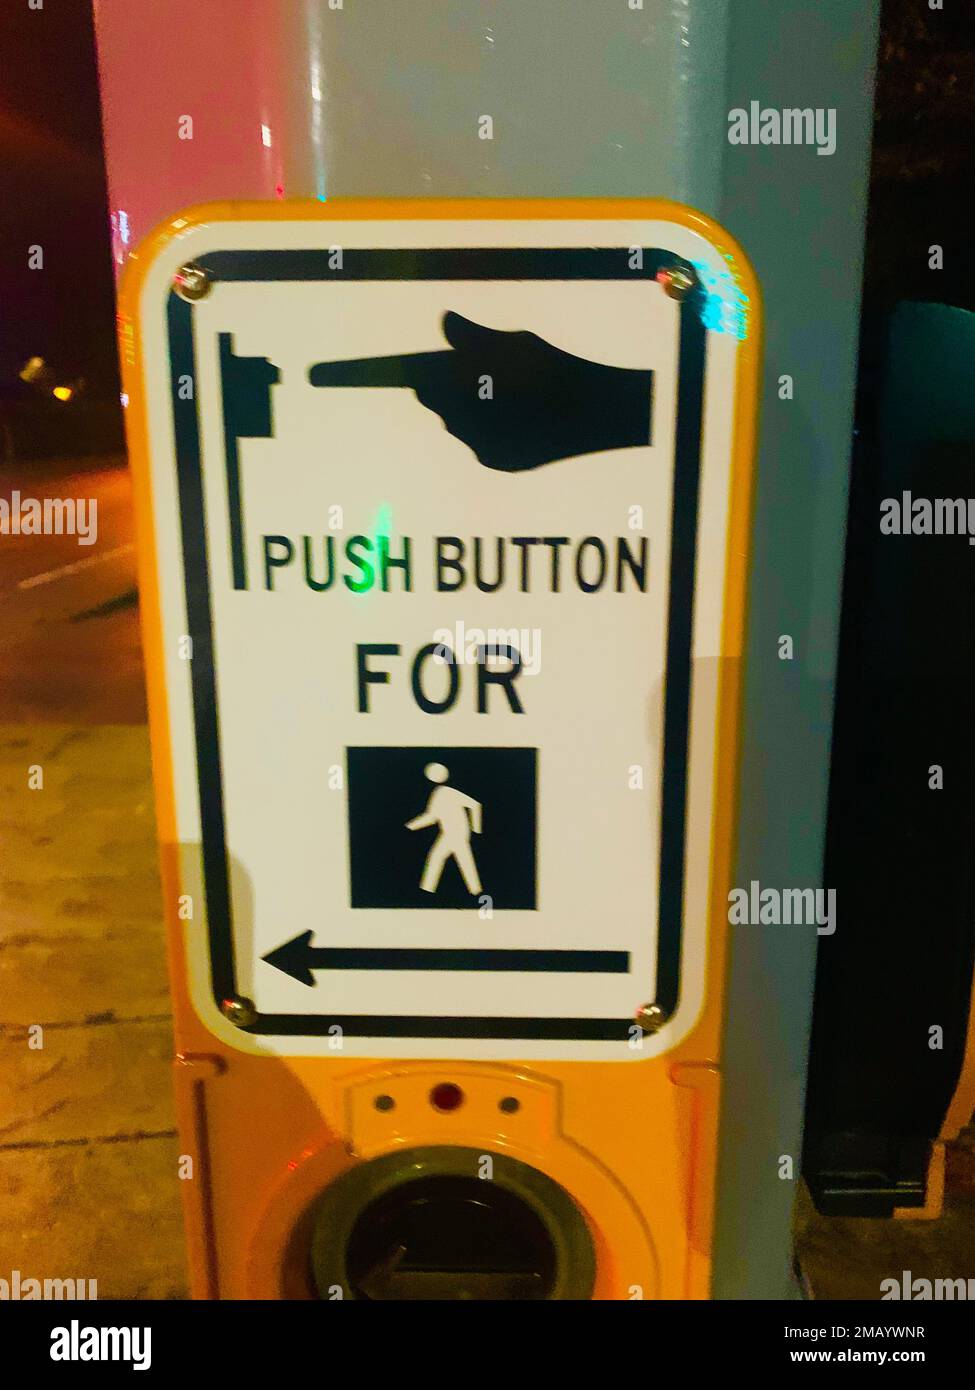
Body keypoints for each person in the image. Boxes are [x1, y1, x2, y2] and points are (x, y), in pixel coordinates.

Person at [406, 762, 483, 895]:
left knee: (439, 858)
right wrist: (411, 826)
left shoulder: (444, 792)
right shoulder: (439, 793)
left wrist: (477, 830)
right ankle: (475, 891)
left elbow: (475, 805)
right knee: (453, 859)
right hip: (451, 833)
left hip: (455, 834)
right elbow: (432, 817)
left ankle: (427, 890)